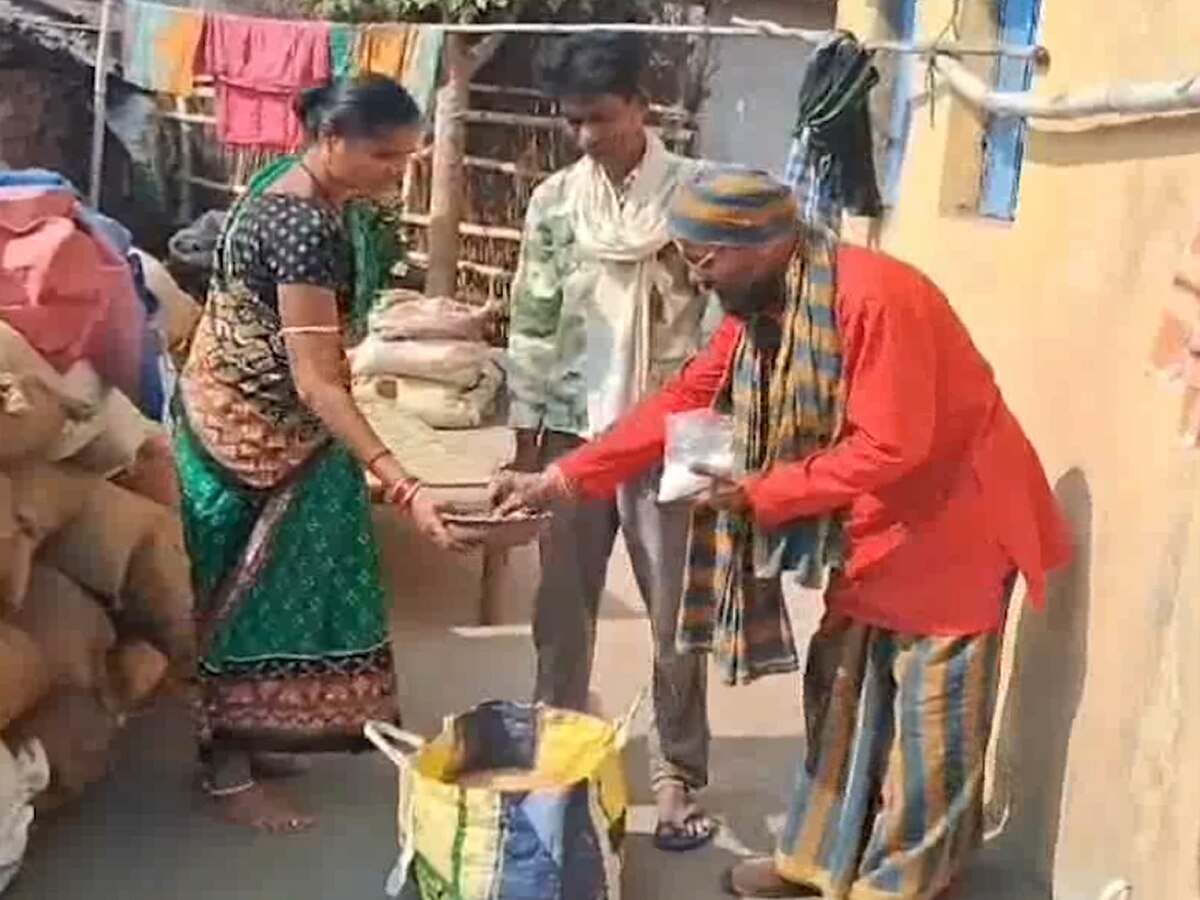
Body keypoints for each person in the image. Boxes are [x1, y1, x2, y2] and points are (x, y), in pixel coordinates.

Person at [493, 170, 1072, 898]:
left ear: (764, 244)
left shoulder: (875, 299)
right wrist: (563, 479)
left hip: (959, 522)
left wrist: (761, 492)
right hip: (877, 526)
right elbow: (685, 399)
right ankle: (814, 861)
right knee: (841, 693)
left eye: (706, 259)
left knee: (932, 723)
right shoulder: (768, 306)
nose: (698, 278)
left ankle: (903, 883)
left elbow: (893, 445)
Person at [174, 76, 462, 833]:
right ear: (331, 139)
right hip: (255, 439)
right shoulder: (302, 226)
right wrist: (402, 482)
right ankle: (226, 771)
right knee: (242, 602)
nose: (395, 173)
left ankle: (257, 735)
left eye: (406, 158)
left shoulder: (299, 184)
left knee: (268, 591)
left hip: (243, 412)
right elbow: (317, 382)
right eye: (383, 156)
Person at [505, 32, 720, 851]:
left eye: (598, 117)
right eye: (572, 121)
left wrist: (717, 445)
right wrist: (526, 442)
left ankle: (676, 774)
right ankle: (555, 754)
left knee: (677, 616)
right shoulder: (557, 202)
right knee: (560, 611)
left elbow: (726, 325)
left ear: (640, 105)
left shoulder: (697, 195)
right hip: (573, 430)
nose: (585, 135)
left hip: (675, 430)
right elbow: (532, 318)